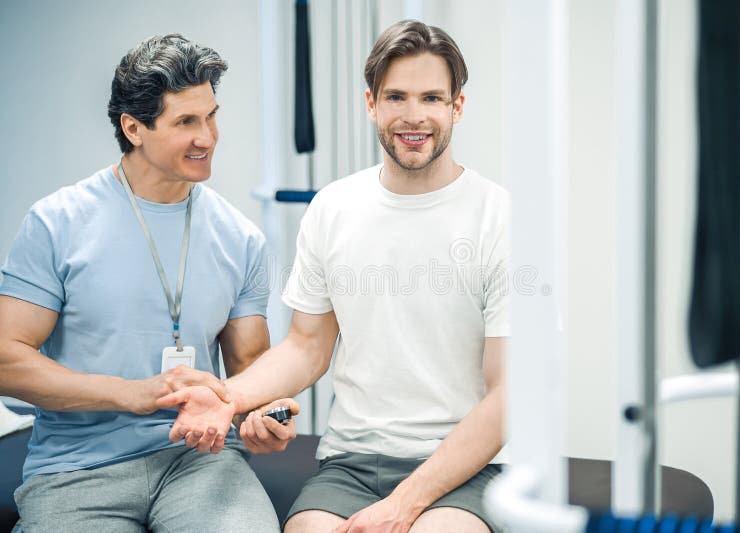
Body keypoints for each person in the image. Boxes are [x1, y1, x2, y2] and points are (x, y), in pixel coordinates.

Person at [160, 19, 509, 533]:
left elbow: (508, 396)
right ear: (372, 104)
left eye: (432, 98)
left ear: (457, 106)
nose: (414, 116)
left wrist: (403, 505)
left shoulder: (499, 216)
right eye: (396, 97)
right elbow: (306, 347)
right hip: (352, 463)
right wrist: (228, 395)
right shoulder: (334, 208)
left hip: (466, 468)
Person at [0, 34, 292, 532]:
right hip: (77, 470)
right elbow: (7, 360)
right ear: (133, 128)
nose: (208, 137)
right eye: (186, 122)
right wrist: (130, 393)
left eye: (211, 116)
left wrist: (265, 415)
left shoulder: (240, 237)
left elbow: (249, 372)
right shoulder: (56, 223)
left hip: (199, 461)